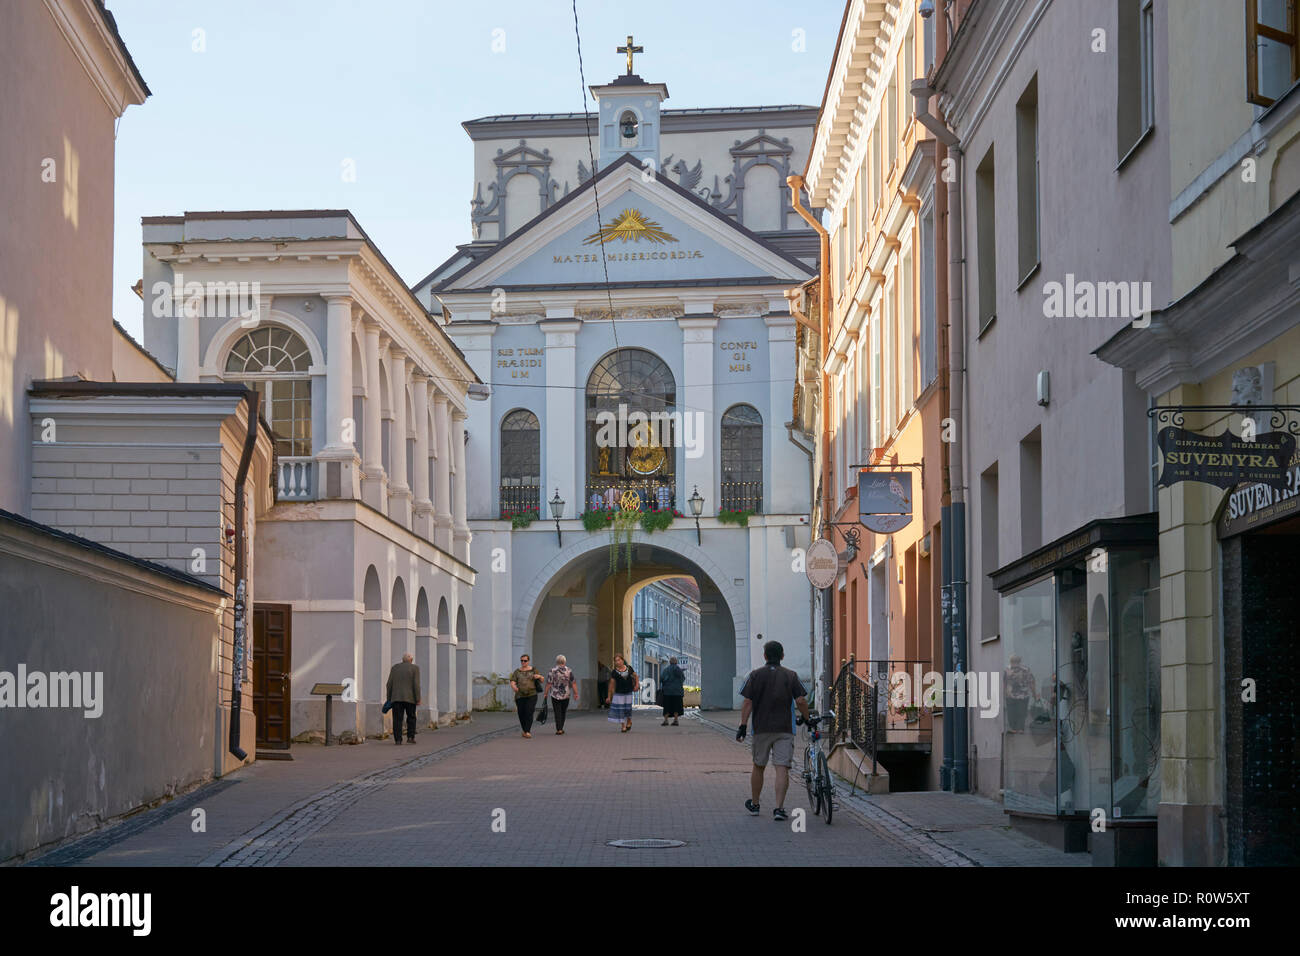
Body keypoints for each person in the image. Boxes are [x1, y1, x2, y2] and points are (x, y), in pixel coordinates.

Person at [736, 640, 809, 822]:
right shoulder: (791, 675)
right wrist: (806, 718)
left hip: (761, 728)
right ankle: (779, 808)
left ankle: (755, 804)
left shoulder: (754, 675)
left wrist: (743, 725)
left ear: (765, 656)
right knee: (782, 767)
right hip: (784, 728)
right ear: (782, 656)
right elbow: (800, 700)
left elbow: (747, 702)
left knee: (758, 765)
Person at [385, 652, 421, 746]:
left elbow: (389, 684)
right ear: (411, 660)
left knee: (397, 719)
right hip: (410, 698)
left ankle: (398, 740)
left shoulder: (395, 668)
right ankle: (410, 737)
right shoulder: (415, 668)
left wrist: (389, 698)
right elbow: (416, 685)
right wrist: (418, 698)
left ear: (402, 660)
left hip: (396, 698)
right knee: (411, 717)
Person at [509, 653, 543, 738]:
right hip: (520, 695)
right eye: (522, 661)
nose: (523, 662)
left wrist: (538, 676)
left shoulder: (533, 670)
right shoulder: (517, 671)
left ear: (528, 661)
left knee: (529, 711)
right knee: (521, 713)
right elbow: (512, 681)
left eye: (525, 661)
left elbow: (542, 679)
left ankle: (527, 731)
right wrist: (514, 687)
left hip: (532, 694)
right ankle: (524, 730)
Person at [544, 654, 579, 735]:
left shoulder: (552, 671)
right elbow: (573, 683)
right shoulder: (569, 670)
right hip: (566, 694)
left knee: (557, 712)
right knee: (563, 711)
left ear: (557, 661)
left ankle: (559, 729)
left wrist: (545, 693)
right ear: (564, 661)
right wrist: (576, 693)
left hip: (555, 694)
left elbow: (549, 683)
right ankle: (560, 728)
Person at [1004, 654, 1038, 733]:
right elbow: (1031, 682)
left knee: (1011, 712)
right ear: (1020, 661)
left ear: (1010, 661)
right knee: (1022, 712)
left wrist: (1003, 693)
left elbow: (1004, 683)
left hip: (1010, 695)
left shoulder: (1007, 670)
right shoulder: (1026, 670)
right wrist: (1034, 694)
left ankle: (1013, 728)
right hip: (1023, 695)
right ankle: (1020, 728)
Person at [606, 654, 639, 732]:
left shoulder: (629, 668)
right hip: (619, 693)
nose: (617, 662)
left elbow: (636, 676)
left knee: (628, 709)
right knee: (621, 710)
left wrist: (637, 685)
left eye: (619, 660)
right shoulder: (614, 672)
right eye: (616, 661)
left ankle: (629, 721)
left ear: (622, 660)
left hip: (628, 691)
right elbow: (611, 684)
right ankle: (623, 726)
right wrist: (609, 696)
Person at [659, 656, 685, 726]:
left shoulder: (666, 670)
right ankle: (676, 720)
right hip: (678, 692)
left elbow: (661, 679)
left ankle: (666, 720)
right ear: (676, 662)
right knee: (676, 706)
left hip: (667, 691)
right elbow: (683, 679)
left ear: (670, 662)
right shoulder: (679, 670)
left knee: (667, 706)